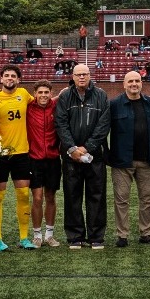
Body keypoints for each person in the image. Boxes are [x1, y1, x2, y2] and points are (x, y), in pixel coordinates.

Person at [55, 63, 110, 249]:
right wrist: (72, 148)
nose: (81, 77)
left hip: (94, 155)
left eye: (84, 74)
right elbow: (60, 124)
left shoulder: (101, 95)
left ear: (90, 75)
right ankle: (75, 236)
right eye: (78, 74)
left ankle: (96, 236)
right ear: (72, 76)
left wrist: (87, 148)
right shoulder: (64, 96)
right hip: (71, 157)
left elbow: (104, 125)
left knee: (97, 195)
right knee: (72, 195)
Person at [107, 69, 150, 248]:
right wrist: (108, 155)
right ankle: (122, 235)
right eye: (130, 81)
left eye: (137, 81)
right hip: (122, 161)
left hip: (146, 160)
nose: (134, 84)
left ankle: (146, 233)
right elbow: (103, 130)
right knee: (122, 199)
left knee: (147, 199)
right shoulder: (114, 104)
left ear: (141, 83)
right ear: (124, 84)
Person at [0, 66, 36, 250]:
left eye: (13, 76)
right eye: (6, 75)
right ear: (1, 79)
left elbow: (41, 102)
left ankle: (24, 238)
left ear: (19, 79)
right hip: (0, 155)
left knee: (24, 195)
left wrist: (61, 95)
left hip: (22, 153)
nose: (10, 78)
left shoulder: (24, 94)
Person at [25, 81, 61, 246]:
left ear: (50, 93)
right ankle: (37, 235)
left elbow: (67, 91)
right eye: (40, 92)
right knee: (37, 198)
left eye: (47, 92)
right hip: (34, 159)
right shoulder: (28, 107)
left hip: (53, 159)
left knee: (51, 197)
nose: (44, 95)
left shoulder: (56, 105)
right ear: (35, 93)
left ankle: (49, 234)